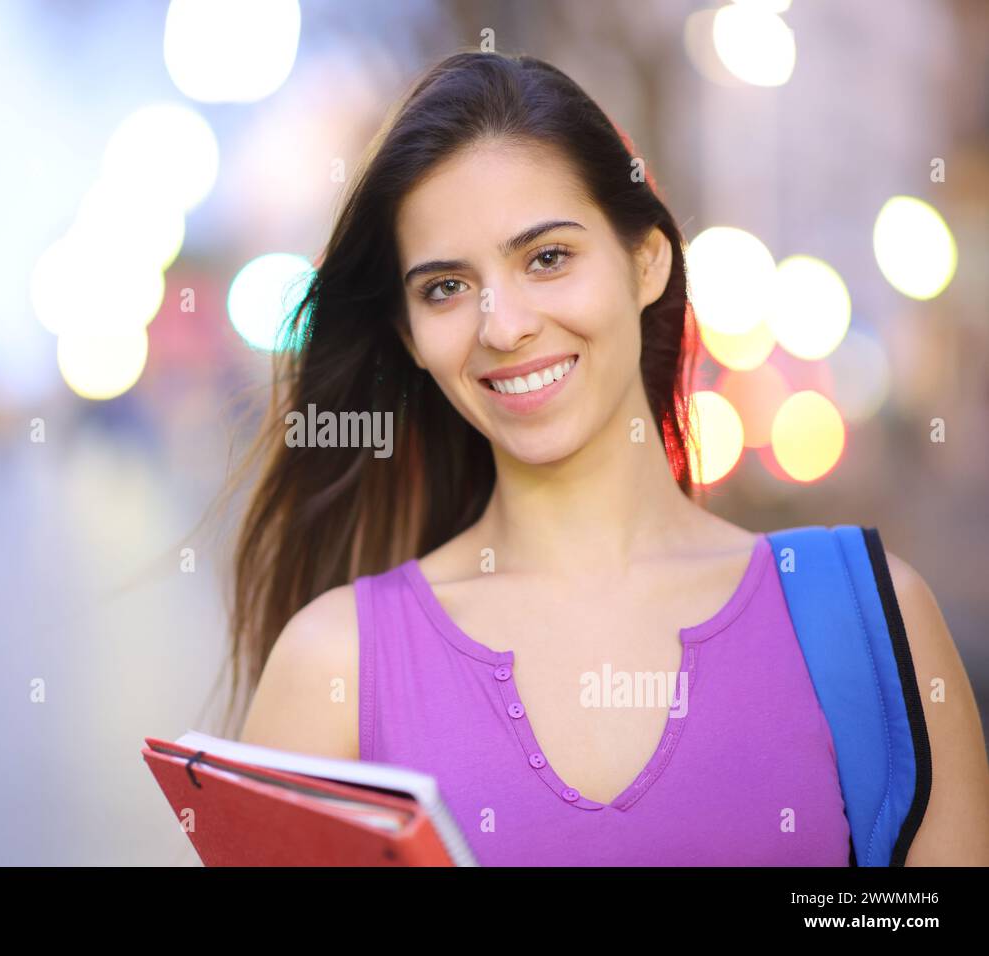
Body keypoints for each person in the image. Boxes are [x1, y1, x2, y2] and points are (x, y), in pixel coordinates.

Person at [226, 51, 989, 865]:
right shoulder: (334, 663)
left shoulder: (870, 619)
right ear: (411, 337)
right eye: (445, 286)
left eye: (547, 257)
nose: (503, 325)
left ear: (647, 260)